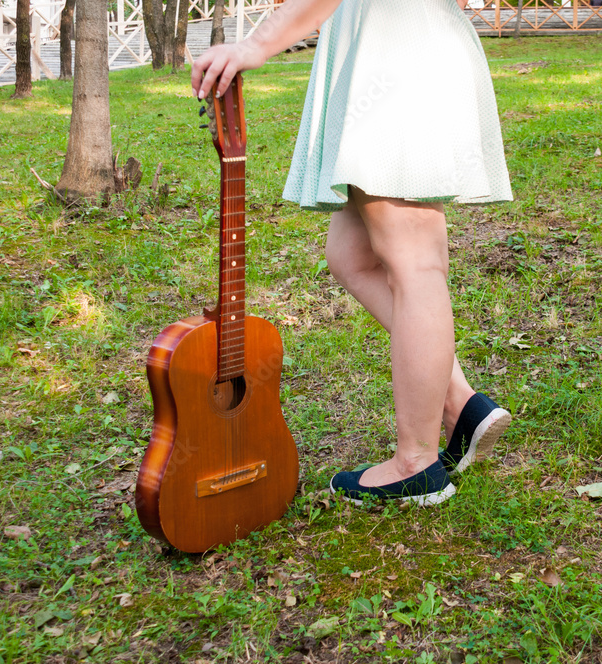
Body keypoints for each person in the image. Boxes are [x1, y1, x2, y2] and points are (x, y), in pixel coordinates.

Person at [191, 0, 513, 507]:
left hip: (393, 51)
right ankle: (458, 403)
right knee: (351, 255)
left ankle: (417, 464)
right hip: (406, 39)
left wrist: (256, 44)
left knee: (415, 260)